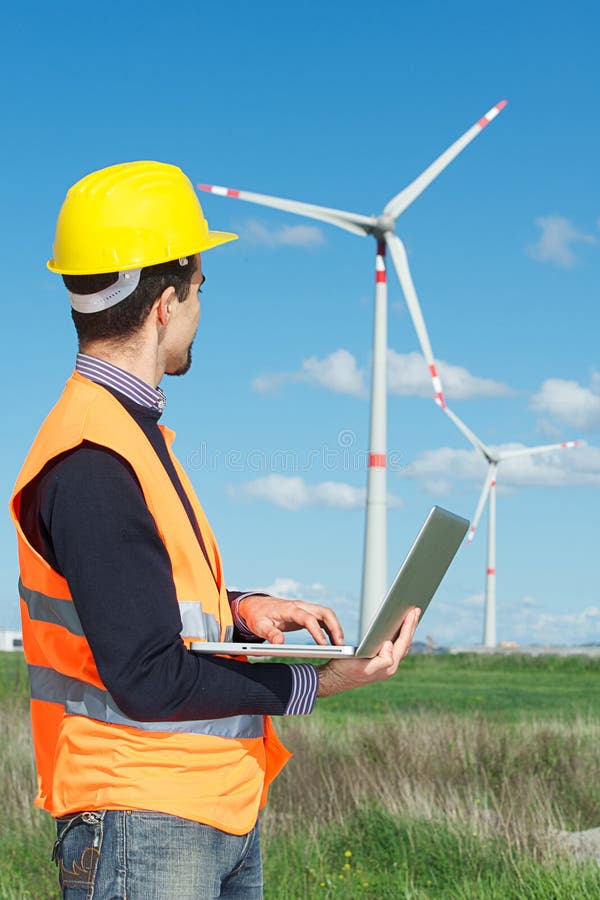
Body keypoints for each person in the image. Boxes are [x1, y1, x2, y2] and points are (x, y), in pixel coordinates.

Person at [10, 160, 420, 899]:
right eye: (201, 289)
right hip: (145, 819)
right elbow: (145, 674)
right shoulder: (93, 459)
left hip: (205, 810)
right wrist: (318, 682)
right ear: (166, 300)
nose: (202, 307)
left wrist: (241, 607)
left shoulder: (128, 438)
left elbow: (134, 593)